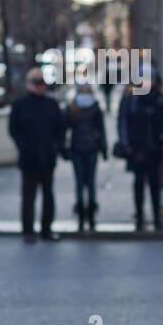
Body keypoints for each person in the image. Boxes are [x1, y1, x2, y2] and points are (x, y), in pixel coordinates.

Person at [9, 67, 65, 242]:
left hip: (47, 156)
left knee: (48, 194)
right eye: (37, 83)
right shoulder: (20, 105)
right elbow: (14, 130)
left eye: (42, 83)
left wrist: (56, 147)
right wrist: (24, 147)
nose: (41, 87)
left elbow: (59, 129)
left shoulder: (51, 104)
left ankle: (46, 229)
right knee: (29, 196)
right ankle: (28, 231)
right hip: (29, 158)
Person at [117, 67, 163, 232]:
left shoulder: (160, 99)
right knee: (139, 183)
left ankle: (156, 218)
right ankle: (140, 217)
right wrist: (125, 143)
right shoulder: (130, 98)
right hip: (136, 146)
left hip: (154, 146)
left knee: (155, 183)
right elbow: (123, 121)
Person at [64, 82, 107, 232]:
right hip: (90, 147)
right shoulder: (93, 107)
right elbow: (101, 130)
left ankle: (82, 213)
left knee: (80, 182)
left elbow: (65, 129)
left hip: (78, 147)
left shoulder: (72, 107)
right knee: (90, 182)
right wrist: (103, 148)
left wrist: (64, 149)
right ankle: (90, 214)